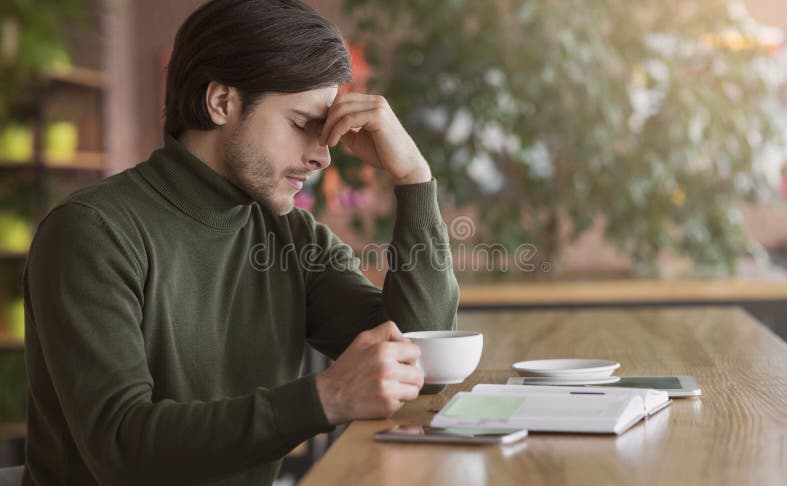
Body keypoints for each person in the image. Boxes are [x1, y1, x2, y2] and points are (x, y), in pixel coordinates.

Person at [21, 0, 459, 484]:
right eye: (302, 124)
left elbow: (422, 364)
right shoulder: (91, 232)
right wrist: (327, 398)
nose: (323, 157)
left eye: (325, 130)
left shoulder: (293, 237)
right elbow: (121, 447)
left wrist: (415, 178)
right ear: (221, 102)